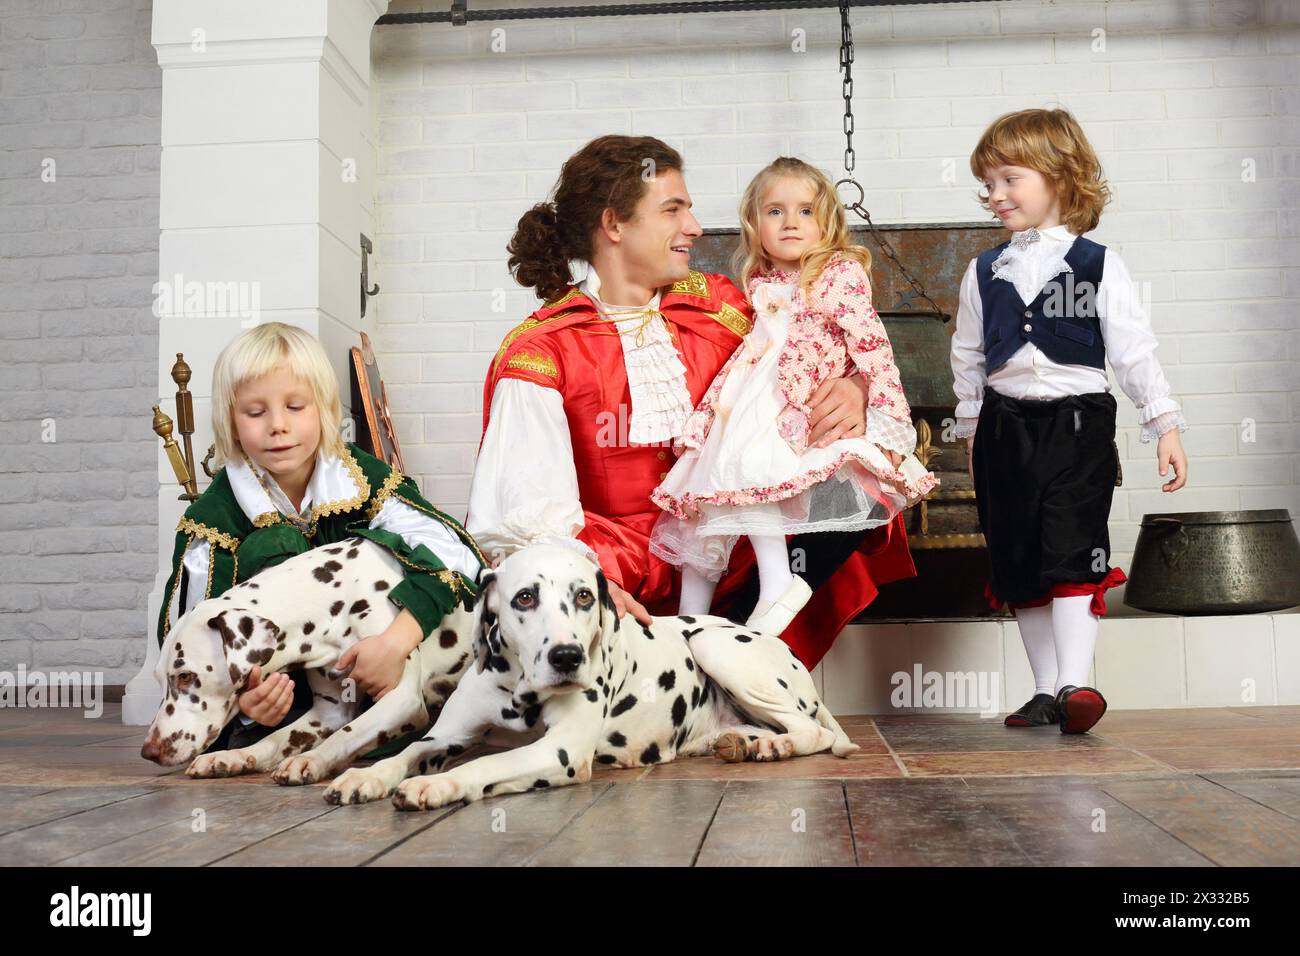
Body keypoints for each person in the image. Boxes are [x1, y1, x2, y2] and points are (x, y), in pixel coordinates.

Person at [468, 135, 919, 669]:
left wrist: (858, 387)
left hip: (735, 543)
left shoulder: (722, 304)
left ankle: (740, 658)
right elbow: (526, 517)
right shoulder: (544, 352)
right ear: (615, 225)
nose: (695, 228)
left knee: (859, 488)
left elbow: (813, 342)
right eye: (673, 210)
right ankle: (693, 666)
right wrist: (586, 585)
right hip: (623, 569)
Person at [950, 108, 1189, 734]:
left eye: (1009, 179)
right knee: (1018, 552)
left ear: (1058, 175)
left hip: (1079, 424)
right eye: (989, 184)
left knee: (1071, 547)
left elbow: (1134, 349)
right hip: (1004, 426)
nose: (995, 196)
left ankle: (1076, 682)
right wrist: (973, 430)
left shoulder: (1097, 264)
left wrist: (1163, 423)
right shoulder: (983, 271)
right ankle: (1043, 691)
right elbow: (968, 356)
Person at [156, 322, 485, 753]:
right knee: (271, 548)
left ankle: (401, 712)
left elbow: (456, 556)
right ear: (231, 423)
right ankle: (292, 730)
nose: (278, 426)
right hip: (288, 696)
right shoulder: (213, 525)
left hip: (383, 662)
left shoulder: (365, 482)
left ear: (325, 411)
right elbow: (190, 644)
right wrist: (247, 703)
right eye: (255, 413)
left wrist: (396, 640)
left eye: (296, 406)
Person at [648, 157, 937, 636]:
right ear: (753, 222)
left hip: (788, 403)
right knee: (709, 493)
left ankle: (778, 580)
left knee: (749, 467)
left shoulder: (836, 274)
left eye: (805, 211)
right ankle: (690, 623)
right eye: (775, 211)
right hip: (747, 397)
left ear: (827, 222)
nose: (790, 223)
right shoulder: (758, 281)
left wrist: (888, 420)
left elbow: (872, 348)